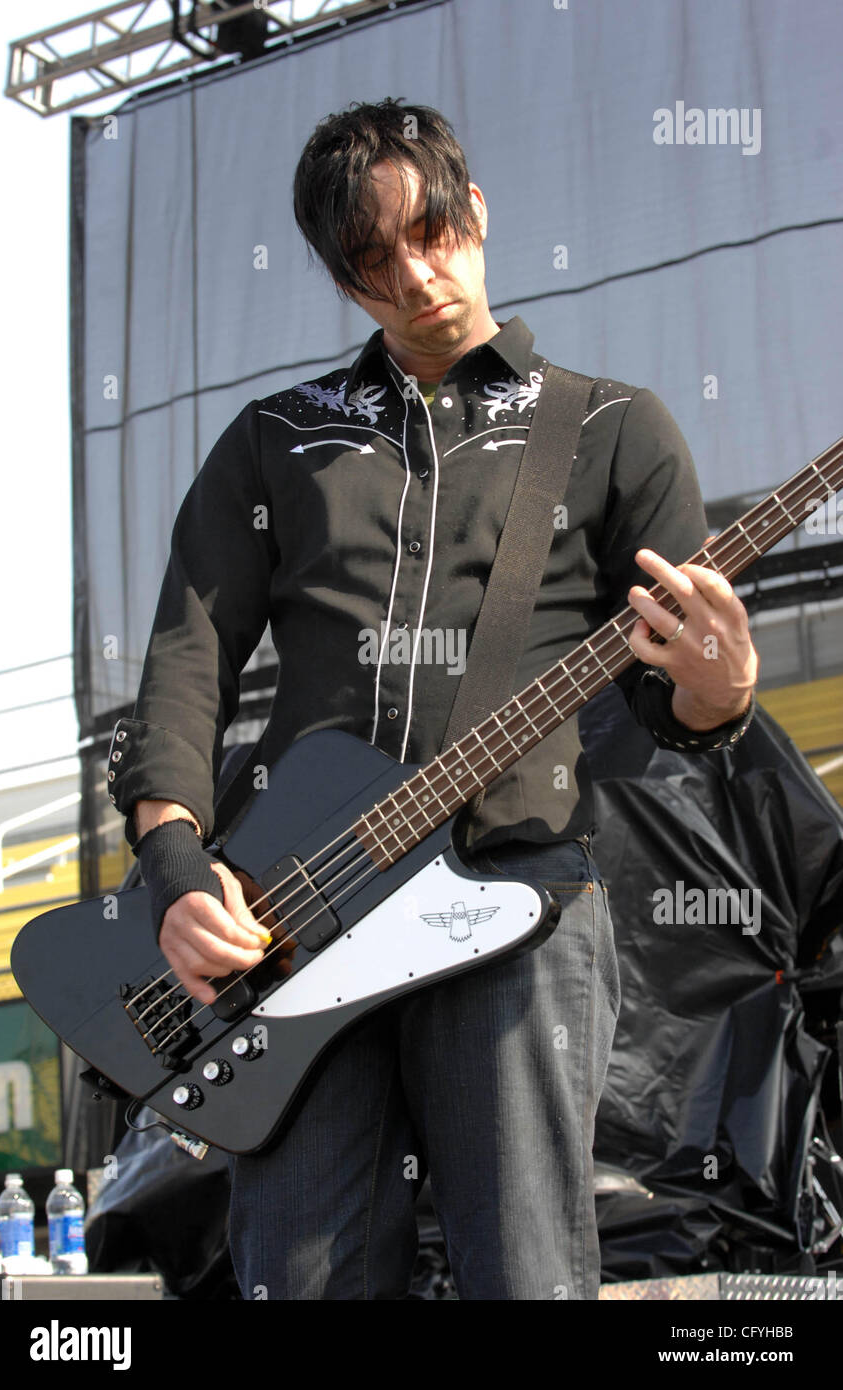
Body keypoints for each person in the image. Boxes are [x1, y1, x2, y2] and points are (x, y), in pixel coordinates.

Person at [107, 98, 758, 1300]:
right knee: (297, 1278)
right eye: (373, 261)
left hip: (515, 906)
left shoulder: (612, 430)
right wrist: (177, 878)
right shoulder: (275, 440)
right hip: (293, 926)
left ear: (478, 210)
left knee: (524, 1274)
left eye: (434, 230)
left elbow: (680, 707)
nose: (416, 276)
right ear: (342, 282)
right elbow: (183, 670)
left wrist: (719, 692)